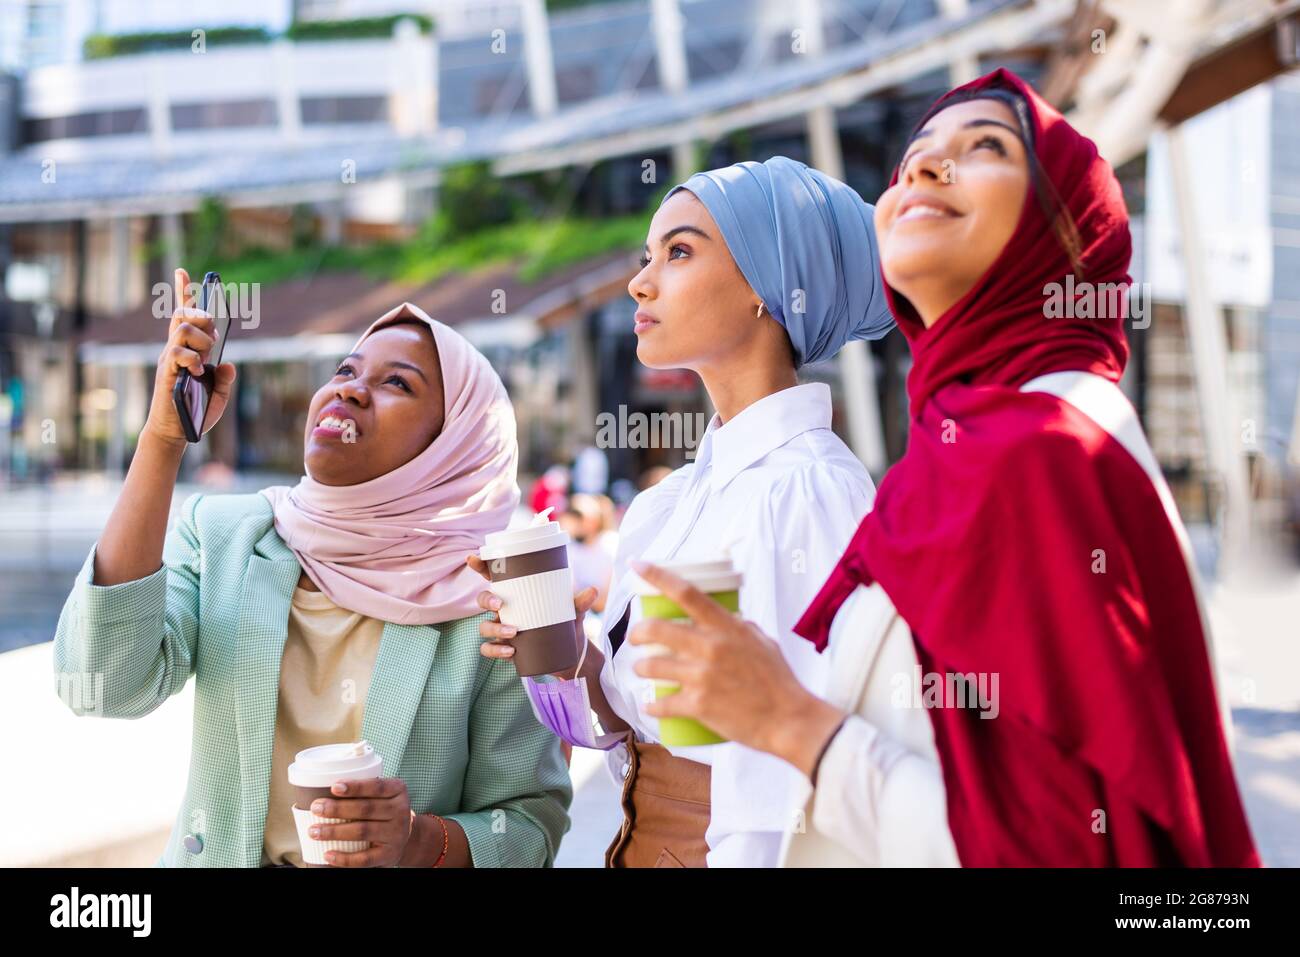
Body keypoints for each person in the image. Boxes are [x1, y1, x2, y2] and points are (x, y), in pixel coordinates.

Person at [626, 69, 1261, 868]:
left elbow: (1062, 846)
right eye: (915, 155)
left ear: (1059, 229)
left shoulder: (1041, 449)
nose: (924, 168)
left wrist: (787, 721)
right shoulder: (976, 444)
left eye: (985, 147)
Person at [53, 273, 571, 867]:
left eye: (397, 383)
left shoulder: (491, 600)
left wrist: (415, 840)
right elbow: (98, 684)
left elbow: (530, 825)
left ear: (457, 443)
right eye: (345, 372)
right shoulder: (227, 538)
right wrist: (164, 438)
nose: (348, 392)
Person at [469, 155, 895, 867]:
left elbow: (779, 789)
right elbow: (629, 733)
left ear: (767, 286)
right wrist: (565, 654)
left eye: (680, 251)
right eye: (647, 255)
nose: (641, 280)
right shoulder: (670, 501)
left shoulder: (813, 494)